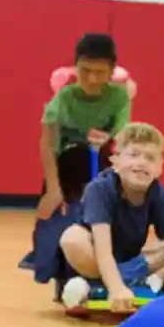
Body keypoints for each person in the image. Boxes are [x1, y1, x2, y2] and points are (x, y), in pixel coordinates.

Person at [57, 122, 164, 310]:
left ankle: (110, 286)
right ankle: (99, 284)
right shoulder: (100, 189)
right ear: (115, 161)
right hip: (92, 263)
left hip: (132, 261)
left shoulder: (159, 194)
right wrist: (116, 288)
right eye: (133, 155)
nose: (141, 162)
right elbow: (103, 250)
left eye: (150, 158)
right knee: (72, 238)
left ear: (160, 168)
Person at [36, 32, 132, 220]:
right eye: (85, 71)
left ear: (112, 71)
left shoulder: (119, 97)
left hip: (101, 165)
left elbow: (123, 138)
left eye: (100, 73)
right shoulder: (65, 98)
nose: (92, 79)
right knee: (50, 233)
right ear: (75, 67)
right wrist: (54, 190)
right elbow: (47, 144)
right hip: (65, 168)